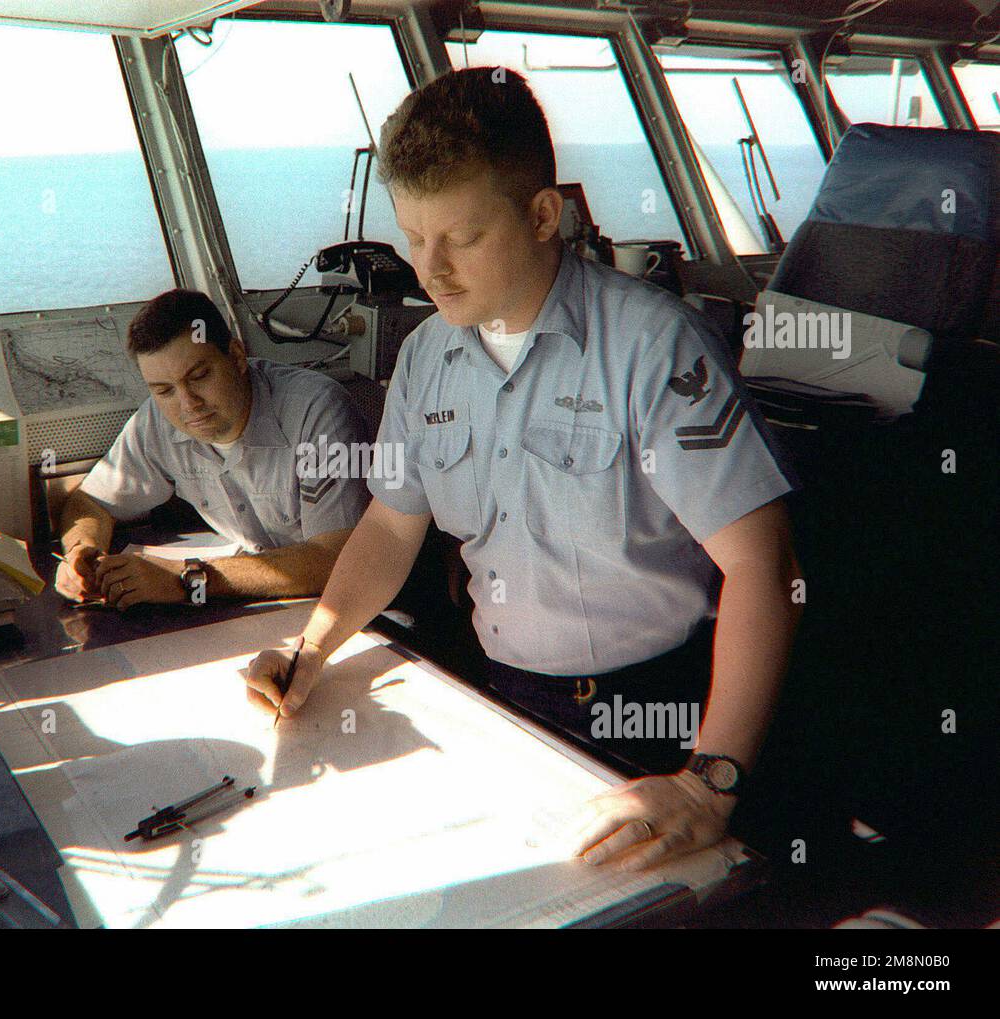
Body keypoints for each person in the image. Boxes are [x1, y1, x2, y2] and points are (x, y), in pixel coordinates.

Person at [246, 67, 803, 873]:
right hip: (505, 693)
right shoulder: (427, 356)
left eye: (462, 237)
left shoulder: (653, 347)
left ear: (543, 214)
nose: (430, 269)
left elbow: (767, 565)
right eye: (412, 237)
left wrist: (709, 781)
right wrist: (312, 648)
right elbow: (390, 525)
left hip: (663, 713)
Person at [57, 288, 370, 609]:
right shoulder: (157, 420)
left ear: (235, 356)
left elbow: (337, 559)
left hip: (356, 601)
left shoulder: (316, 410)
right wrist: (82, 551)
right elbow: (90, 502)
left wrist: (188, 579)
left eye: (200, 376)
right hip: (265, 599)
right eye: (164, 390)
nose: (188, 404)